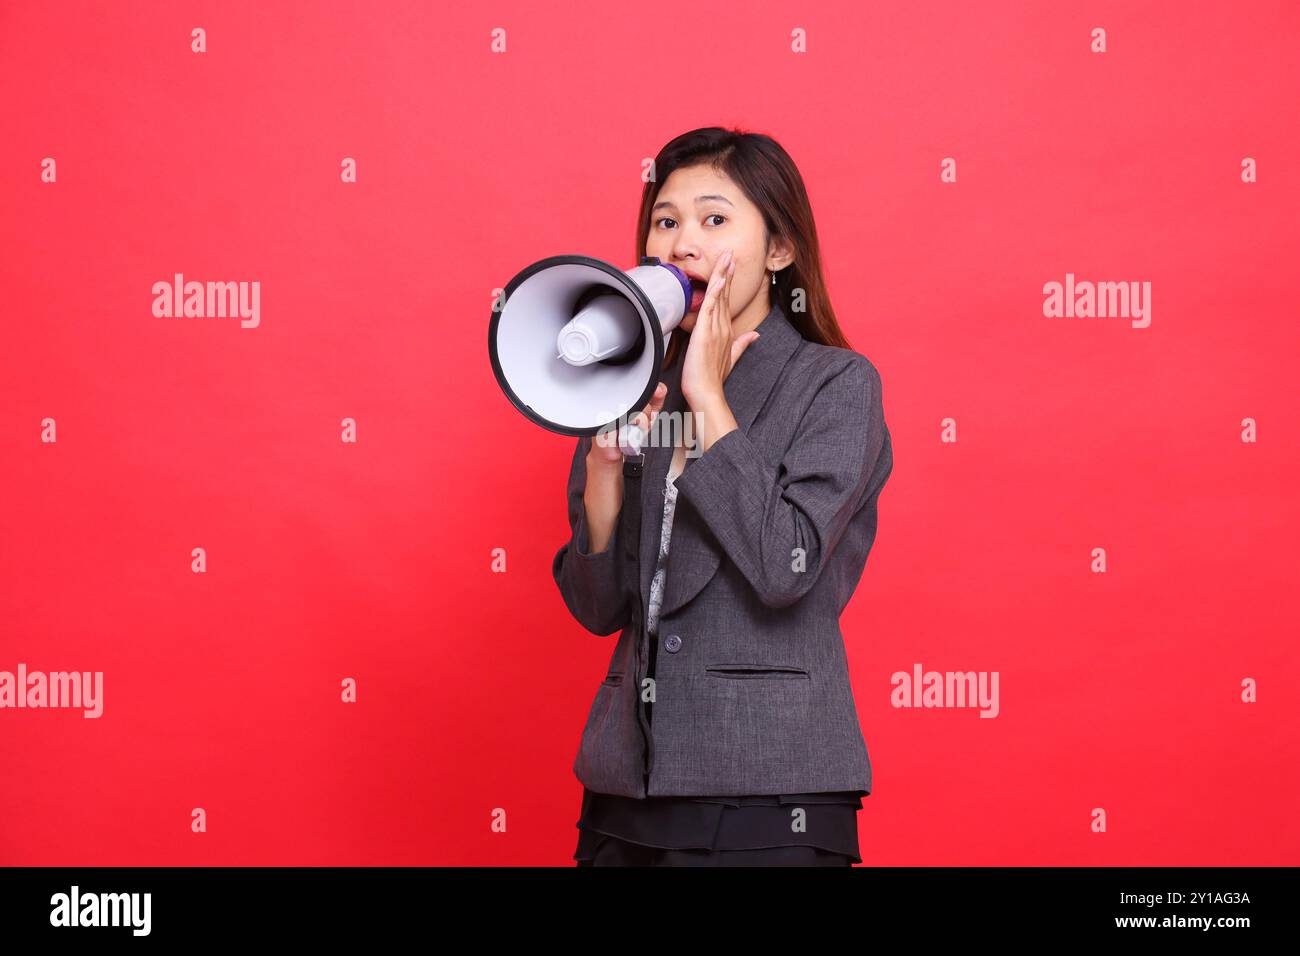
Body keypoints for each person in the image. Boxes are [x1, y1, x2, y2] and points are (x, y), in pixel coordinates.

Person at [553, 126, 894, 866]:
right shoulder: (632, 383)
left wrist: (707, 399)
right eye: (666, 221)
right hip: (625, 790)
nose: (682, 244)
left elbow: (785, 568)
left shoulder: (836, 384)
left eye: (714, 220)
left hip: (770, 793)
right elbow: (596, 608)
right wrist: (605, 473)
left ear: (779, 250)